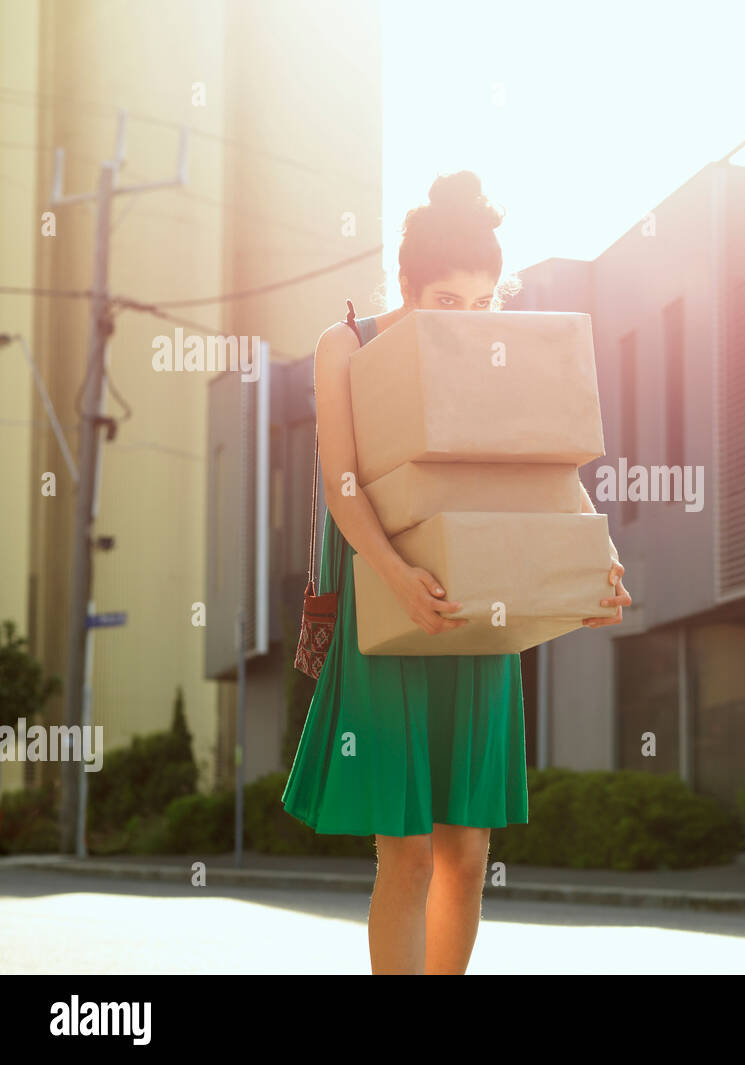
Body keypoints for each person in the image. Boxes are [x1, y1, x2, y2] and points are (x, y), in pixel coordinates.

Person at [281, 170, 631, 974]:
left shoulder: (497, 349)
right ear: (407, 286)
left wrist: (597, 559)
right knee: (404, 853)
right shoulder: (349, 346)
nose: (468, 321)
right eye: (447, 302)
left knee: (466, 856)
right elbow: (342, 483)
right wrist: (398, 576)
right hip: (389, 596)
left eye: (483, 304)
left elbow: (547, 461)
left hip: (481, 601)